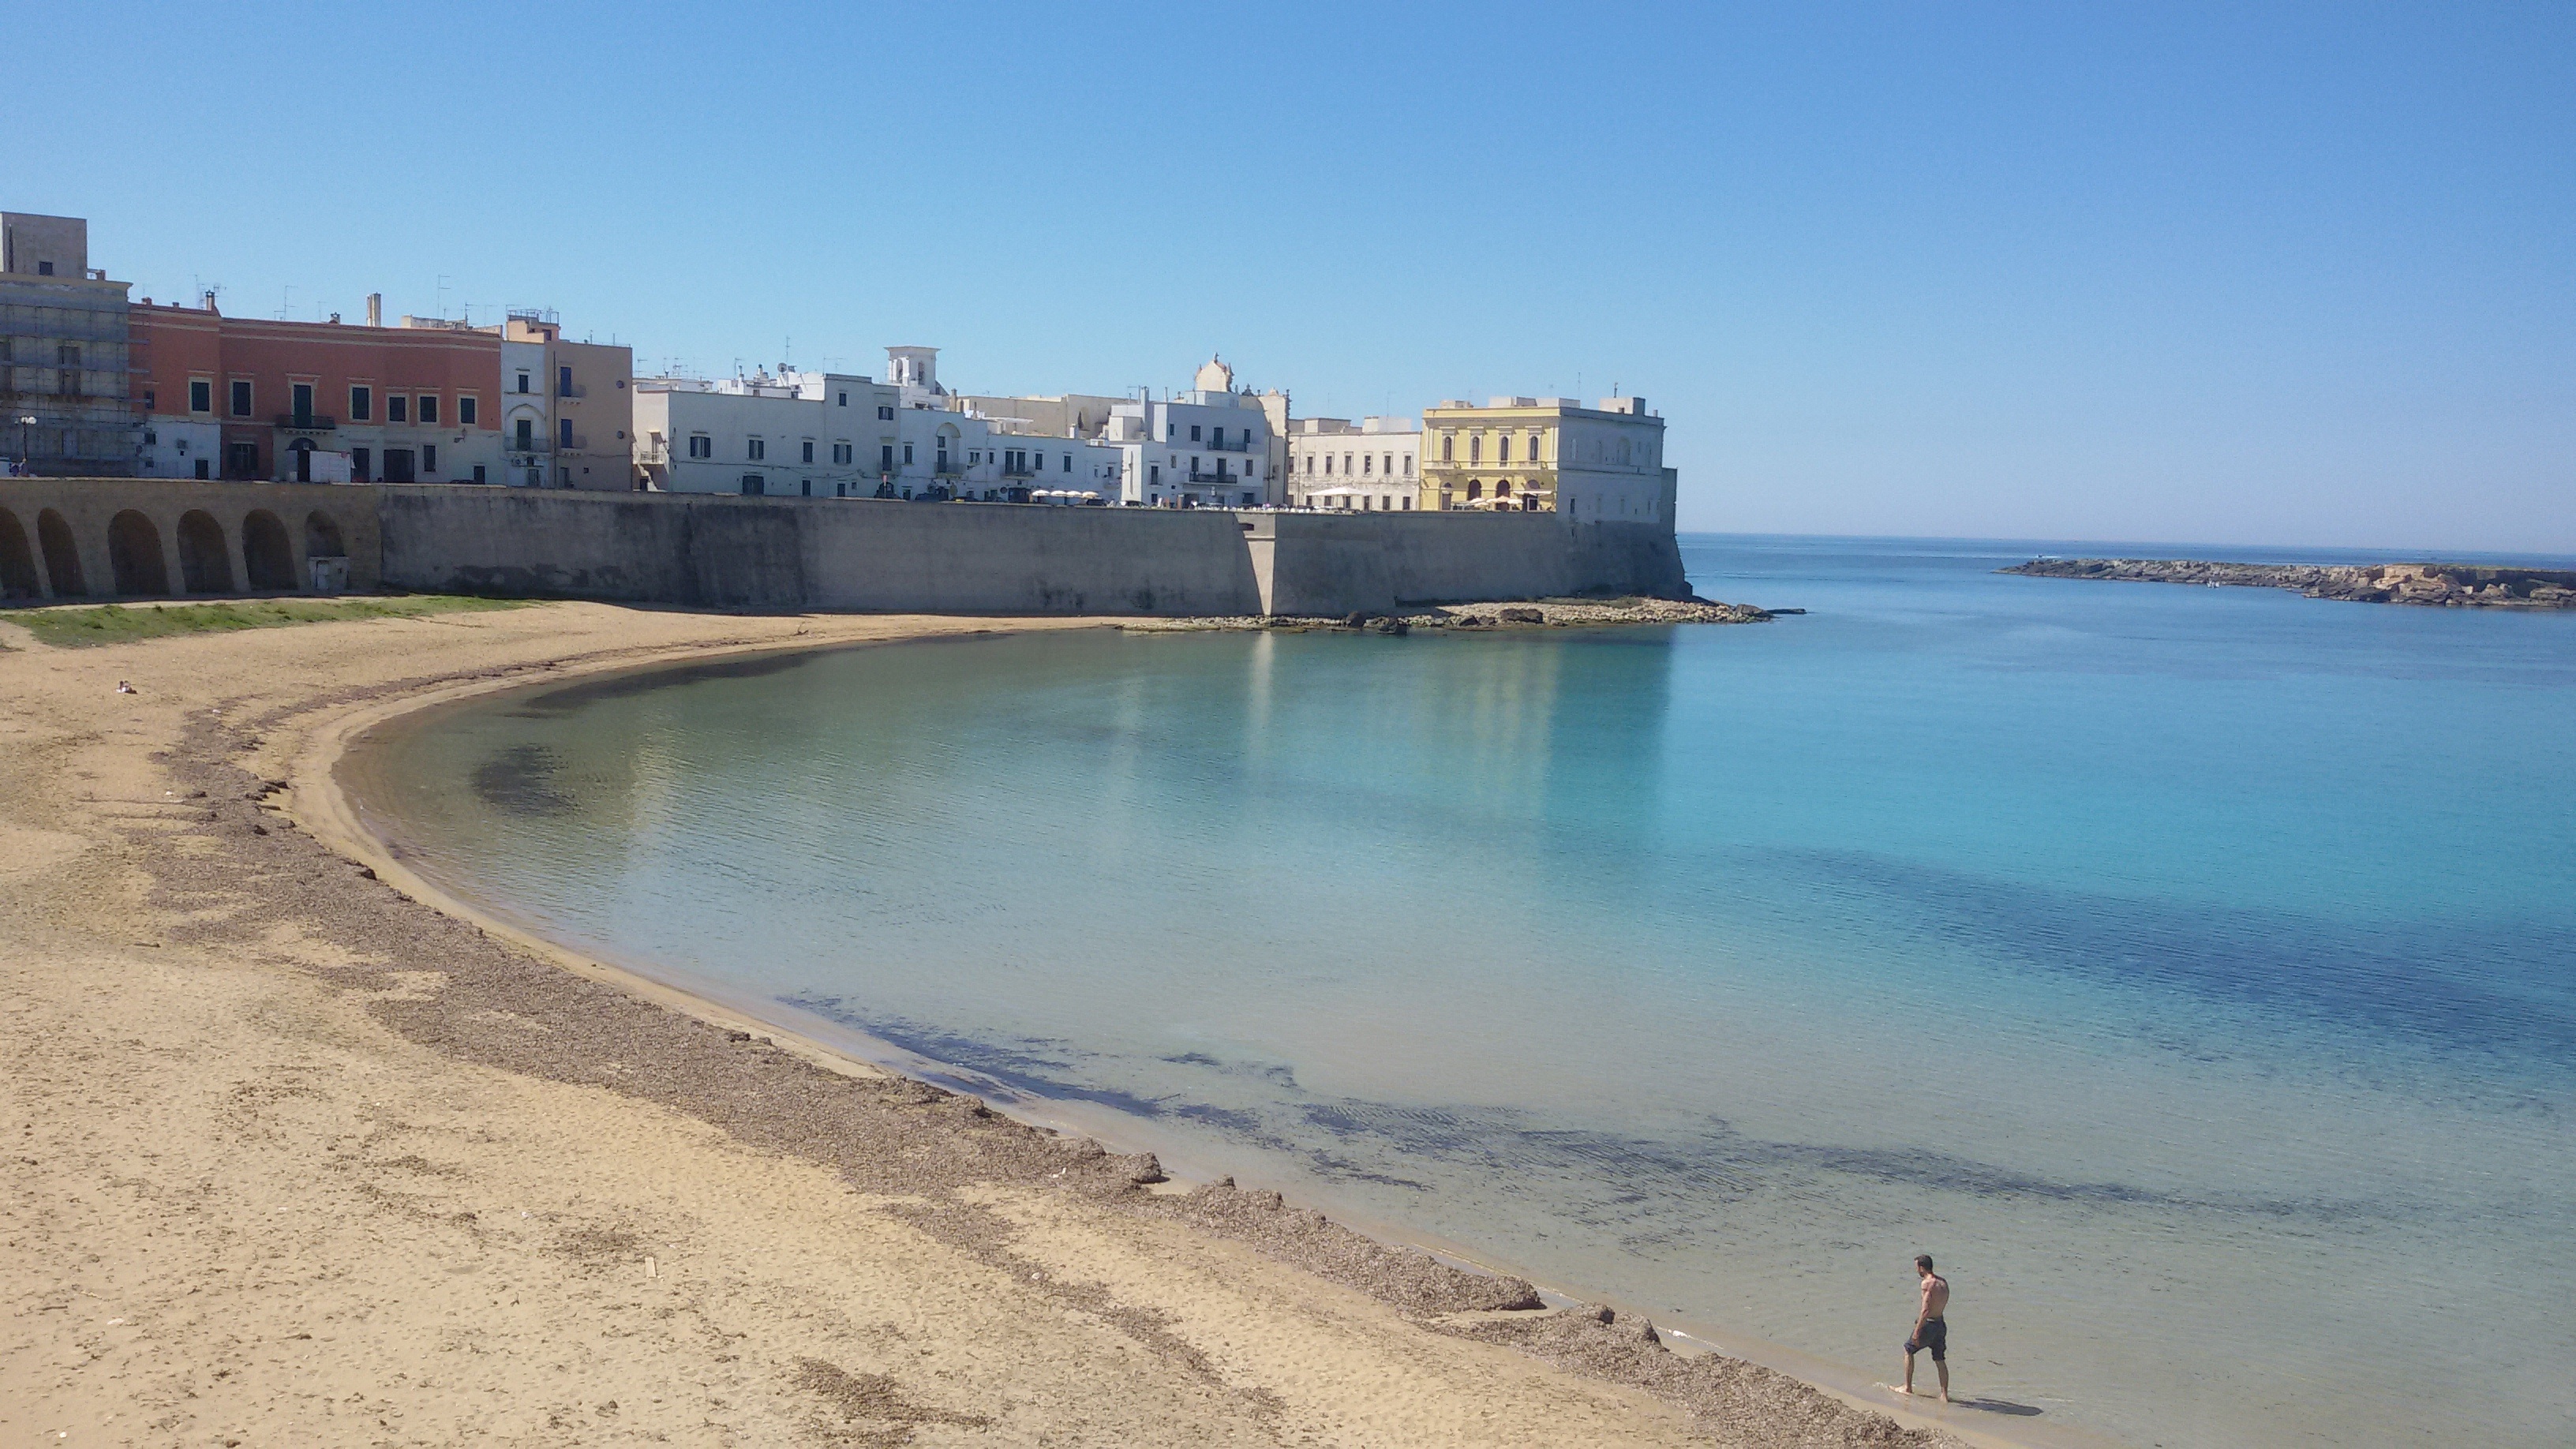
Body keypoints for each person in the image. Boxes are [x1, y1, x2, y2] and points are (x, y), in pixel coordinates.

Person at [1900, 1253, 1951, 1403]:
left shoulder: (1927, 1284)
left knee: (1908, 1349)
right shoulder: (1943, 1282)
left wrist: (1917, 1330)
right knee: (1940, 1359)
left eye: (1917, 1268)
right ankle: (1944, 1395)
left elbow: (1925, 1309)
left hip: (1928, 1323)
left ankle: (1907, 1387)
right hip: (1940, 1323)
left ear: (1921, 1268)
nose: (1917, 1271)